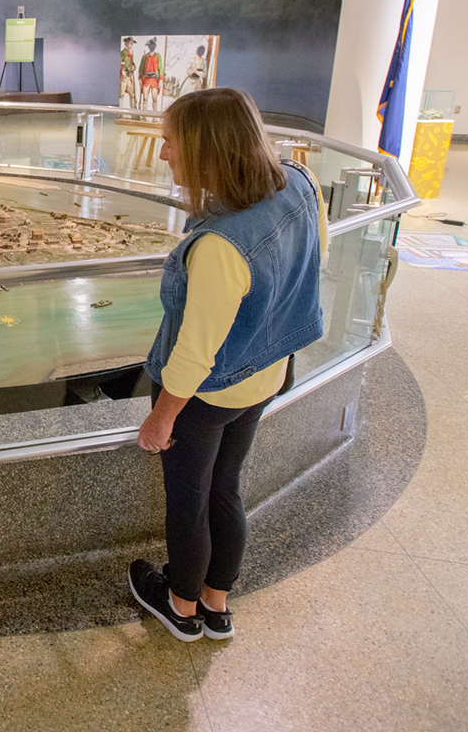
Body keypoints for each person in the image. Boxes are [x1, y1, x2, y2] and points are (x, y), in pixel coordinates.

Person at [129, 87, 325, 643]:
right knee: (227, 487)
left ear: (206, 149)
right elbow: (309, 269)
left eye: (170, 143)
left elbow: (194, 351)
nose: (164, 153)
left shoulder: (220, 245)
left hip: (206, 397)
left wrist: (162, 417)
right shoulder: (300, 186)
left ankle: (182, 606)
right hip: (265, 375)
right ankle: (218, 601)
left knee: (188, 502)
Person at [138, 38, 163, 111]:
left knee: (154, 98)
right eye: (150, 45)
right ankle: (144, 116)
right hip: (146, 79)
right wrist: (140, 78)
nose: (151, 47)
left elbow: (160, 68)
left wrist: (160, 80)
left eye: (152, 45)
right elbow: (141, 68)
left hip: (154, 79)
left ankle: (154, 116)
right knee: (145, 98)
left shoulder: (158, 56)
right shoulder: (145, 57)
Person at [119, 36, 138, 109]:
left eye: (132, 44)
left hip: (129, 76)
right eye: (130, 43)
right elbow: (120, 63)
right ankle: (120, 113)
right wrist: (122, 68)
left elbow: (132, 64)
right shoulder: (123, 53)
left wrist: (133, 67)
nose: (131, 45)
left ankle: (133, 113)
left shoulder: (130, 54)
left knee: (132, 94)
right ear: (126, 43)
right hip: (124, 76)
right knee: (122, 94)